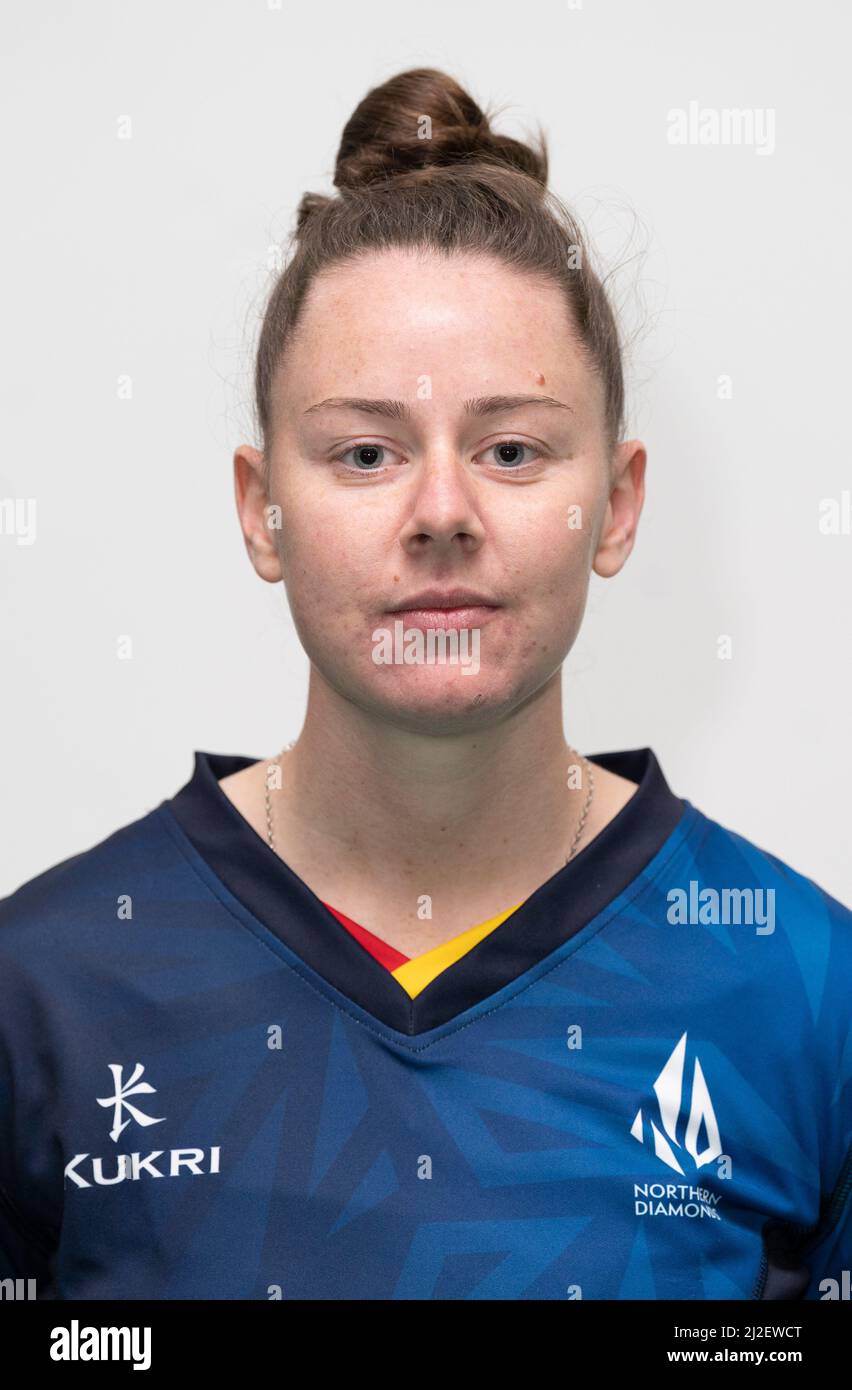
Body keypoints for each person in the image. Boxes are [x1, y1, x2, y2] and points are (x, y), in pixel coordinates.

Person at [1, 68, 849, 1302]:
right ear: (263, 512)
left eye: (512, 450)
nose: (441, 513)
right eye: (365, 452)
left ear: (613, 505)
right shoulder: (47, 992)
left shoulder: (801, 991)